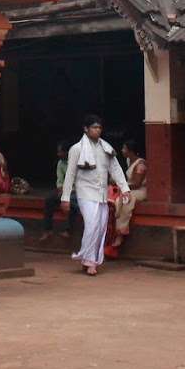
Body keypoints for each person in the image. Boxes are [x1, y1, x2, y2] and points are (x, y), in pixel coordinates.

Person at [58, 115, 131, 276]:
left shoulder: (105, 147)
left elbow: (116, 169)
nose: (97, 130)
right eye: (94, 127)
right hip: (85, 192)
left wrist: (125, 188)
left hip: (101, 193)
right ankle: (90, 261)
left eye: (99, 128)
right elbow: (70, 174)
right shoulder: (77, 149)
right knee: (91, 224)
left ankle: (88, 259)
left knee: (100, 228)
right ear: (86, 128)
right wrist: (65, 197)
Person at [107, 139, 148, 248]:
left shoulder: (140, 164)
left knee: (123, 202)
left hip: (139, 191)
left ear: (131, 151)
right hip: (128, 188)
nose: (122, 150)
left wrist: (123, 187)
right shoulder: (129, 161)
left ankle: (121, 233)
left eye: (124, 148)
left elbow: (137, 184)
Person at [40, 140, 76, 242]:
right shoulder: (60, 163)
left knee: (71, 202)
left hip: (77, 191)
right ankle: (48, 230)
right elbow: (59, 181)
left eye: (60, 152)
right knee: (49, 200)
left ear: (67, 152)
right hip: (65, 190)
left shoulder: (77, 162)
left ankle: (68, 230)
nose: (58, 154)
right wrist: (61, 190)